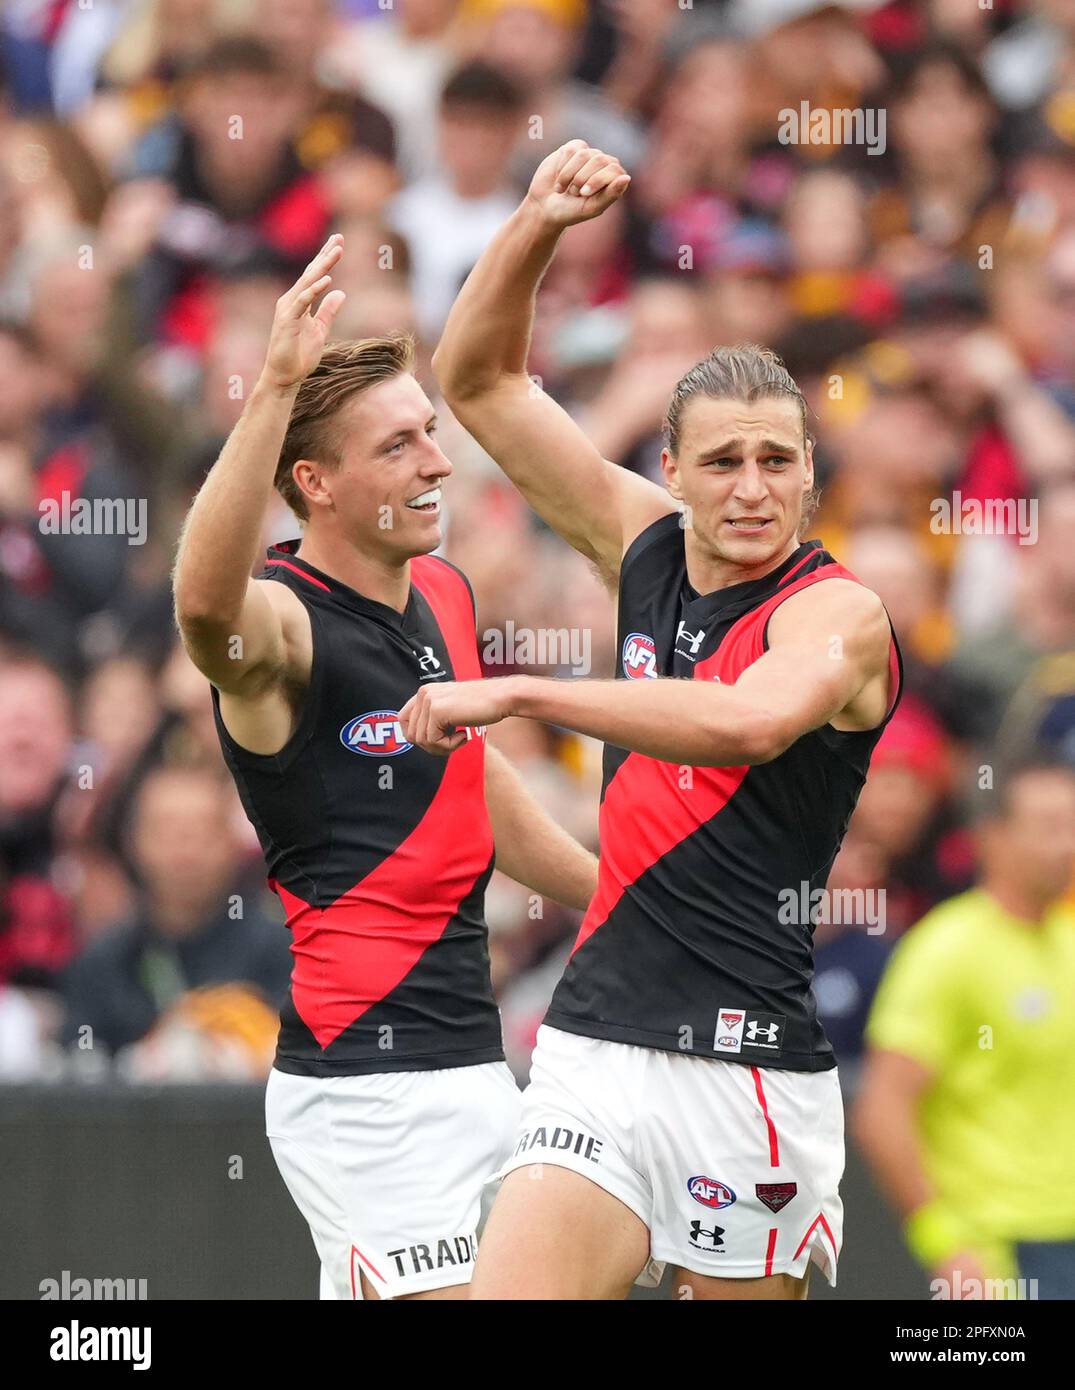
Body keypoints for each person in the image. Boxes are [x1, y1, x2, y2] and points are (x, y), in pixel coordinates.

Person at [403, 141, 902, 1300]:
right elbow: (475, 382)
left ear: (809, 473)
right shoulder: (645, 546)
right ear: (668, 468)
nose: (749, 487)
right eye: (721, 460)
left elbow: (740, 727)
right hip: (594, 1044)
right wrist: (533, 222)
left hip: (748, 1074)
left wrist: (522, 691)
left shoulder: (838, 612)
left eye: (776, 460)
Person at [172, 232, 597, 1300]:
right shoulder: (282, 630)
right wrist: (271, 386)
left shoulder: (443, 592)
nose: (439, 462)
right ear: (315, 482)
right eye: (401, 444)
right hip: (367, 1086)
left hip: (472, 1061)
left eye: (431, 432)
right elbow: (202, 610)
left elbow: (478, 787)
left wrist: (625, 897)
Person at [855, 760, 1075, 1300]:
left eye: (1074, 825)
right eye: (1049, 826)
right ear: (993, 838)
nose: (1067, 844)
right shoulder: (946, 949)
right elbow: (881, 1111)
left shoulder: (1068, 939)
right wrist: (946, 1241)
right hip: (999, 1246)